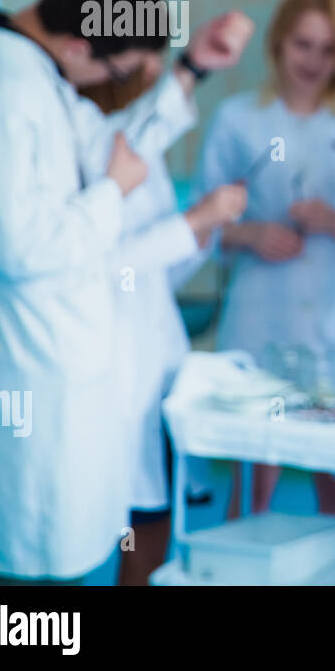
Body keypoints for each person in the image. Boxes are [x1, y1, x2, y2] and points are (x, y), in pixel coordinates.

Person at [0, 0, 254, 584]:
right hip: (35, 359)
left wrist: (192, 70)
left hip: (67, 359)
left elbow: (116, 141)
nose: (118, 84)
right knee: (30, 564)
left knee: (69, 549)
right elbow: (21, 248)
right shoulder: (0, 88)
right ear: (81, 44)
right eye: (118, 70)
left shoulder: (37, 71)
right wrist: (112, 190)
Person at [196, 0, 335, 519]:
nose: (314, 61)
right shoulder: (238, 119)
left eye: (328, 49)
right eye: (303, 44)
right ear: (278, 43)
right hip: (262, 307)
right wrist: (251, 234)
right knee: (254, 465)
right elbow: (202, 225)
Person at [78, 62, 248, 585]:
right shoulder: (85, 142)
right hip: (113, 364)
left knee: (154, 520)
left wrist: (202, 229)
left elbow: (159, 271)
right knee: (133, 520)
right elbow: (102, 264)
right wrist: (193, 223)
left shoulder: (135, 150)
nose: (156, 71)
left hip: (157, 363)